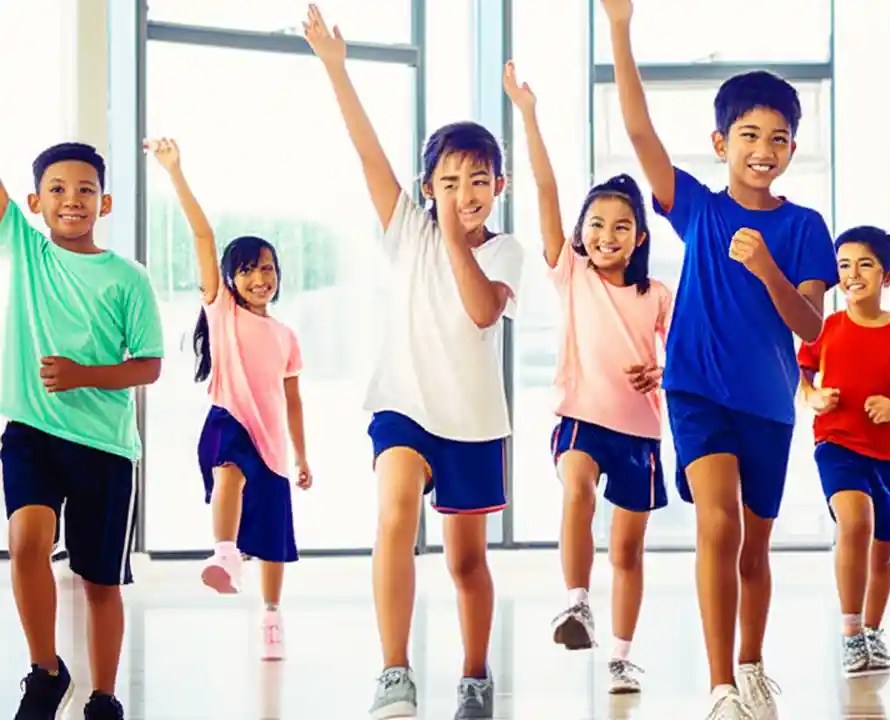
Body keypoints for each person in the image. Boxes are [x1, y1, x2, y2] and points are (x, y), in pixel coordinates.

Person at [600, 1, 839, 717]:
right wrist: (619, 28)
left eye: (779, 137)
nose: (763, 148)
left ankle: (751, 662)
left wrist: (766, 267)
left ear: (793, 147)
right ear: (721, 141)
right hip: (697, 391)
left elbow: (809, 325)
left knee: (754, 548)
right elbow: (639, 130)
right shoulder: (697, 207)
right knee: (719, 525)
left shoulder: (803, 227)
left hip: (767, 404)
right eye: (748, 135)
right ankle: (719, 686)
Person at [304, 6, 523, 719]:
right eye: (451, 180)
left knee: (466, 563)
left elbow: (483, 310)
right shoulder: (408, 229)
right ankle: (394, 671)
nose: (466, 193)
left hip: (473, 422)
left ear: (500, 185)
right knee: (394, 516)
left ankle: (474, 677)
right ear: (429, 186)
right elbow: (368, 153)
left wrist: (457, 235)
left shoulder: (501, 250)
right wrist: (337, 70)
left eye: (479, 179)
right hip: (402, 406)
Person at [503, 63, 672, 695]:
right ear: (581, 234)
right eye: (595, 225)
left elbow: (686, 354)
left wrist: (664, 368)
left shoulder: (656, 293)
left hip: (640, 434)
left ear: (639, 237)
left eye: (620, 226)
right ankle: (575, 601)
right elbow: (546, 189)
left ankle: (622, 655)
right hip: (580, 418)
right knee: (576, 490)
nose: (606, 235)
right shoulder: (570, 275)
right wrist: (528, 113)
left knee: (627, 551)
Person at [0, 142, 164, 720]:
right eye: (58, 190)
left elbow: (148, 365)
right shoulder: (24, 249)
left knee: (99, 583)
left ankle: (103, 698)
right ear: (34, 202)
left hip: (105, 446)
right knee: (26, 545)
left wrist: (82, 376)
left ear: (106, 202)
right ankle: (46, 672)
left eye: (86, 190)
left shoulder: (129, 279)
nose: (72, 200)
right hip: (30, 432)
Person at [146, 138, 313, 663]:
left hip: (273, 444)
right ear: (229, 278)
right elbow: (202, 232)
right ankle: (222, 553)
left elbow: (294, 401)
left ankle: (270, 615)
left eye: (267, 269)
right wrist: (175, 172)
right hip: (228, 419)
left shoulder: (286, 335)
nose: (259, 278)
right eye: (247, 270)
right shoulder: (221, 311)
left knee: (273, 536)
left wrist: (303, 456)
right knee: (227, 473)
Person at [797, 226, 890, 678]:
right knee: (856, 520)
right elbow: (799, 378)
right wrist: (813, 397)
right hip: (836, 443)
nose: (852, 273)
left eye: (865, 264)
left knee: (883, 550)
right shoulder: (825, 328)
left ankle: (874, 631)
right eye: (844, 265)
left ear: (888, 274)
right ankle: (850, 632)